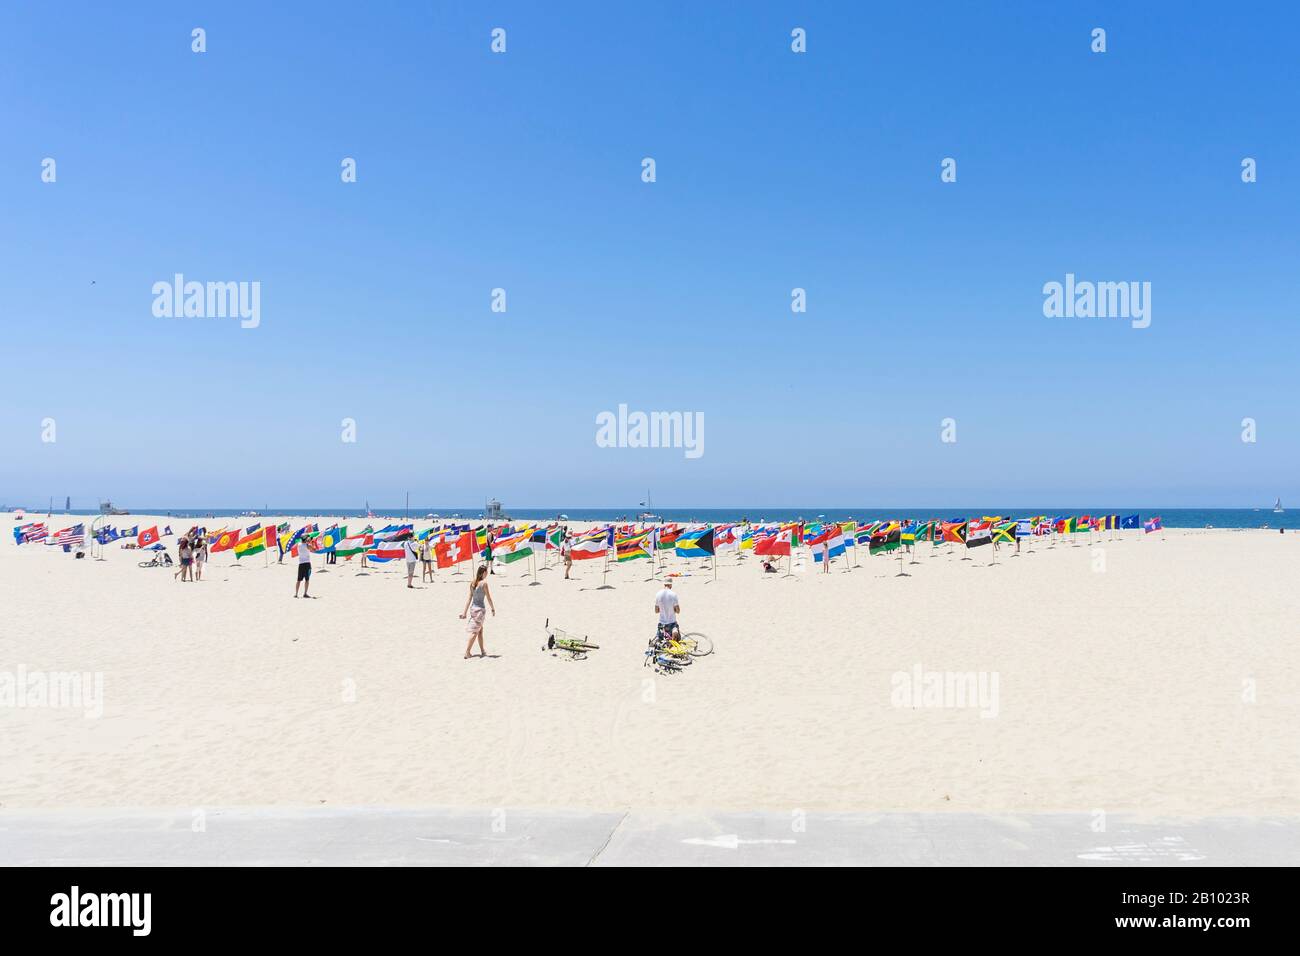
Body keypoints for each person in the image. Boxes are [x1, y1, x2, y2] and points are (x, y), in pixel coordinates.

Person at [459, 563, 495, 658]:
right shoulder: (484, 583)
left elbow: (469, 599)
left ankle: (483, 651)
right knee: (475, 632)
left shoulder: (472, 583)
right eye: (486, 572)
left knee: (480, 630)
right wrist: (492, 608)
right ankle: (467, 652)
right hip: (480, 610)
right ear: (483, 572)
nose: (487, 573)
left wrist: (464, 612)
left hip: (473, 609)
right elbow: (489, 598)